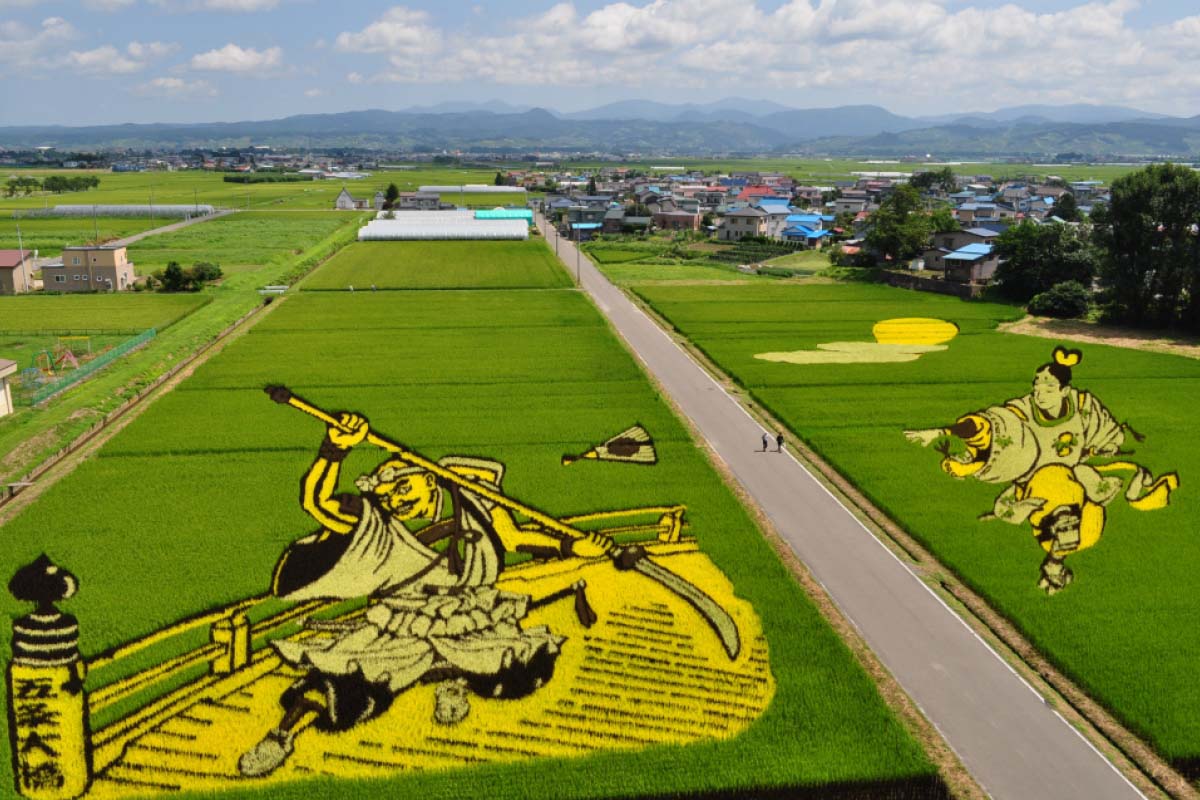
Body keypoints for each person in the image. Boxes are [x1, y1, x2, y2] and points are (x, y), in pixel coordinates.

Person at [238, 412, 613, 777]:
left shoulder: (471, 499)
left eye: (403, 488)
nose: (396, 501)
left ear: (429, 480)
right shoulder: (376, 524)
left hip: (466, 610)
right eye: (387, 496)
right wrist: (334, 449)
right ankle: (280, 736)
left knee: (507, 660)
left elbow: (514, 538)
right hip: (403, 616)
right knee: (343, 676)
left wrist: (571, 546)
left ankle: (454, 686)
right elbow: (316, 502)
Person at [905, 347, 1177, 593]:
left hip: (1070, 477)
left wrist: (1108, 445)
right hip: (1034, 480)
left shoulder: (1082, 406)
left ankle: (1055, 564)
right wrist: (945, 431)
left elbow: (1107, 434)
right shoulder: (1021, 412)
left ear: (1064, 391)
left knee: (1091, 497)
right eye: (1036, 388)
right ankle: (1054, 561)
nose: (1039, 394)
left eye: (1047, 389)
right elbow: (984, 427)